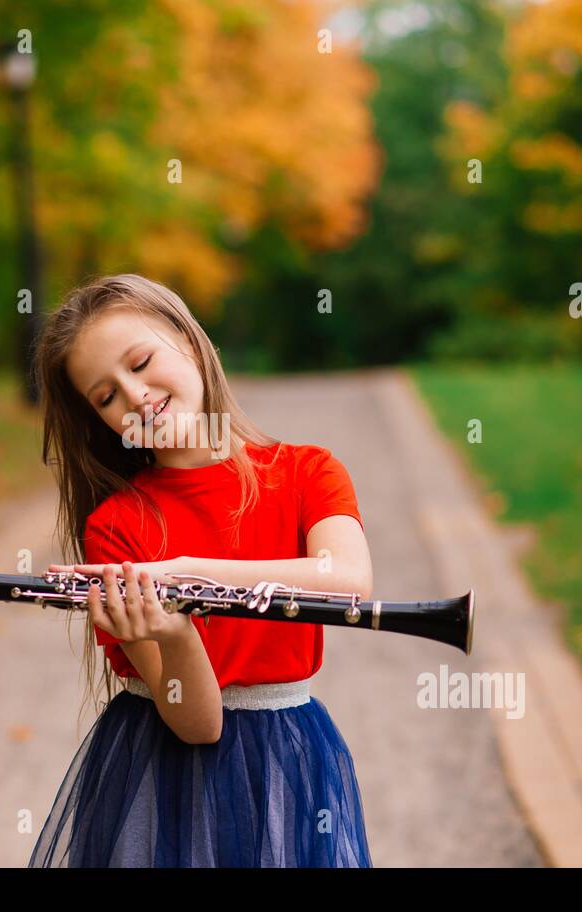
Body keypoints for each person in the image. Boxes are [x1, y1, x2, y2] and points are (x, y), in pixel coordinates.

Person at [28, 273, 374, 867]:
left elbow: (347, 580)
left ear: (190, 340)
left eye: (140, 362)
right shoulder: (116, 526)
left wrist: (187, 573)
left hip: (288, 755)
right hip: (161, 772)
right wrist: (173, 632)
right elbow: (200, 727)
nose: (134, 395)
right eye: (106, 396)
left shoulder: (307, 473)